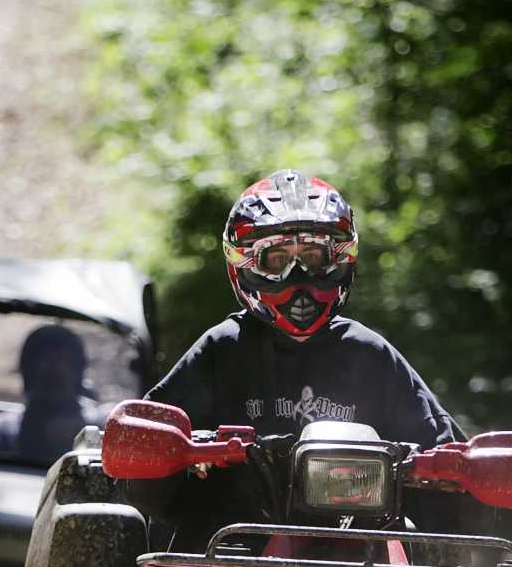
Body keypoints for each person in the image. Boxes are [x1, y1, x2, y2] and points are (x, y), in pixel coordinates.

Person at [127, 168, 471, 543]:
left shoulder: (368, 354)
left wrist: (457, 474)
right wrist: (185, 456)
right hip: (224, 555)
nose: (298, 275)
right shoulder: (222, 349)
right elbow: (141, 465)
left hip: (363, 560)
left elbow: (450, 469)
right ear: (245, 265)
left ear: (340, 259)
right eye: (277, 260)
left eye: (312, 256)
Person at [0, 324, 103, 463]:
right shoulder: (1, 431)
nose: (55, 370)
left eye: (63, 361)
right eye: (45, 361)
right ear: (29, 372)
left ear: (77, 371)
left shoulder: (97, 429)